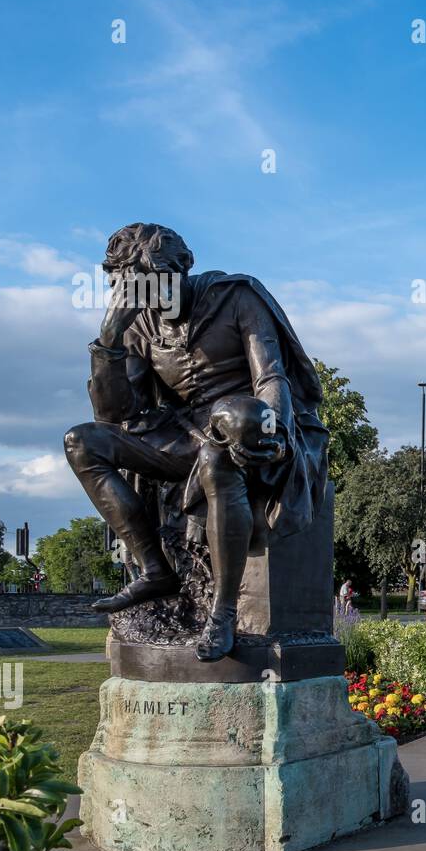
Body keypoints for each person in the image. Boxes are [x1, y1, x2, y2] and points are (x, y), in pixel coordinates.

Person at [63, 223, 328, 662]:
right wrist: (108, 340)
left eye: (151, 283)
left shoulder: (236, 296)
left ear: (179, 270)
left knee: (220, 446)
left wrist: (275, 434)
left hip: (249, 428)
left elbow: (270, 376)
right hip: (181, 432)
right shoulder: (138, 324)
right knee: (82, 442)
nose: (146, 296)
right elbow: (114, 417)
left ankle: (223, 612)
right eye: (129, 287)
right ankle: (155, 569)